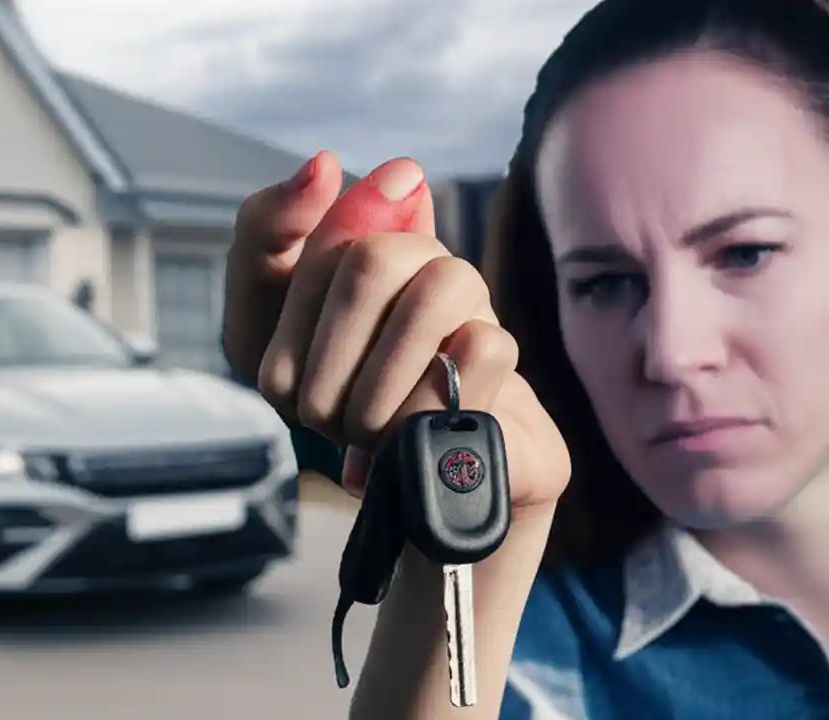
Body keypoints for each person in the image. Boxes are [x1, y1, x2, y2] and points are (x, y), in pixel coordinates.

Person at [221, 0, 829, 717]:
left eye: (747, 253)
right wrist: (478, 528)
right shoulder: (533, 658)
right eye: (604, 282)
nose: (672, 353)